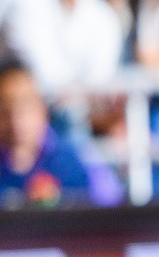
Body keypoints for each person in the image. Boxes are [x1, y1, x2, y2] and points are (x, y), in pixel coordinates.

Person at [0, 56, 121, 207]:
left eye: (25, 105)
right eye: (5, 108)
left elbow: (111, 203)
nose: (16, 118)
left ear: (42, 108)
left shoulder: (77, 159)